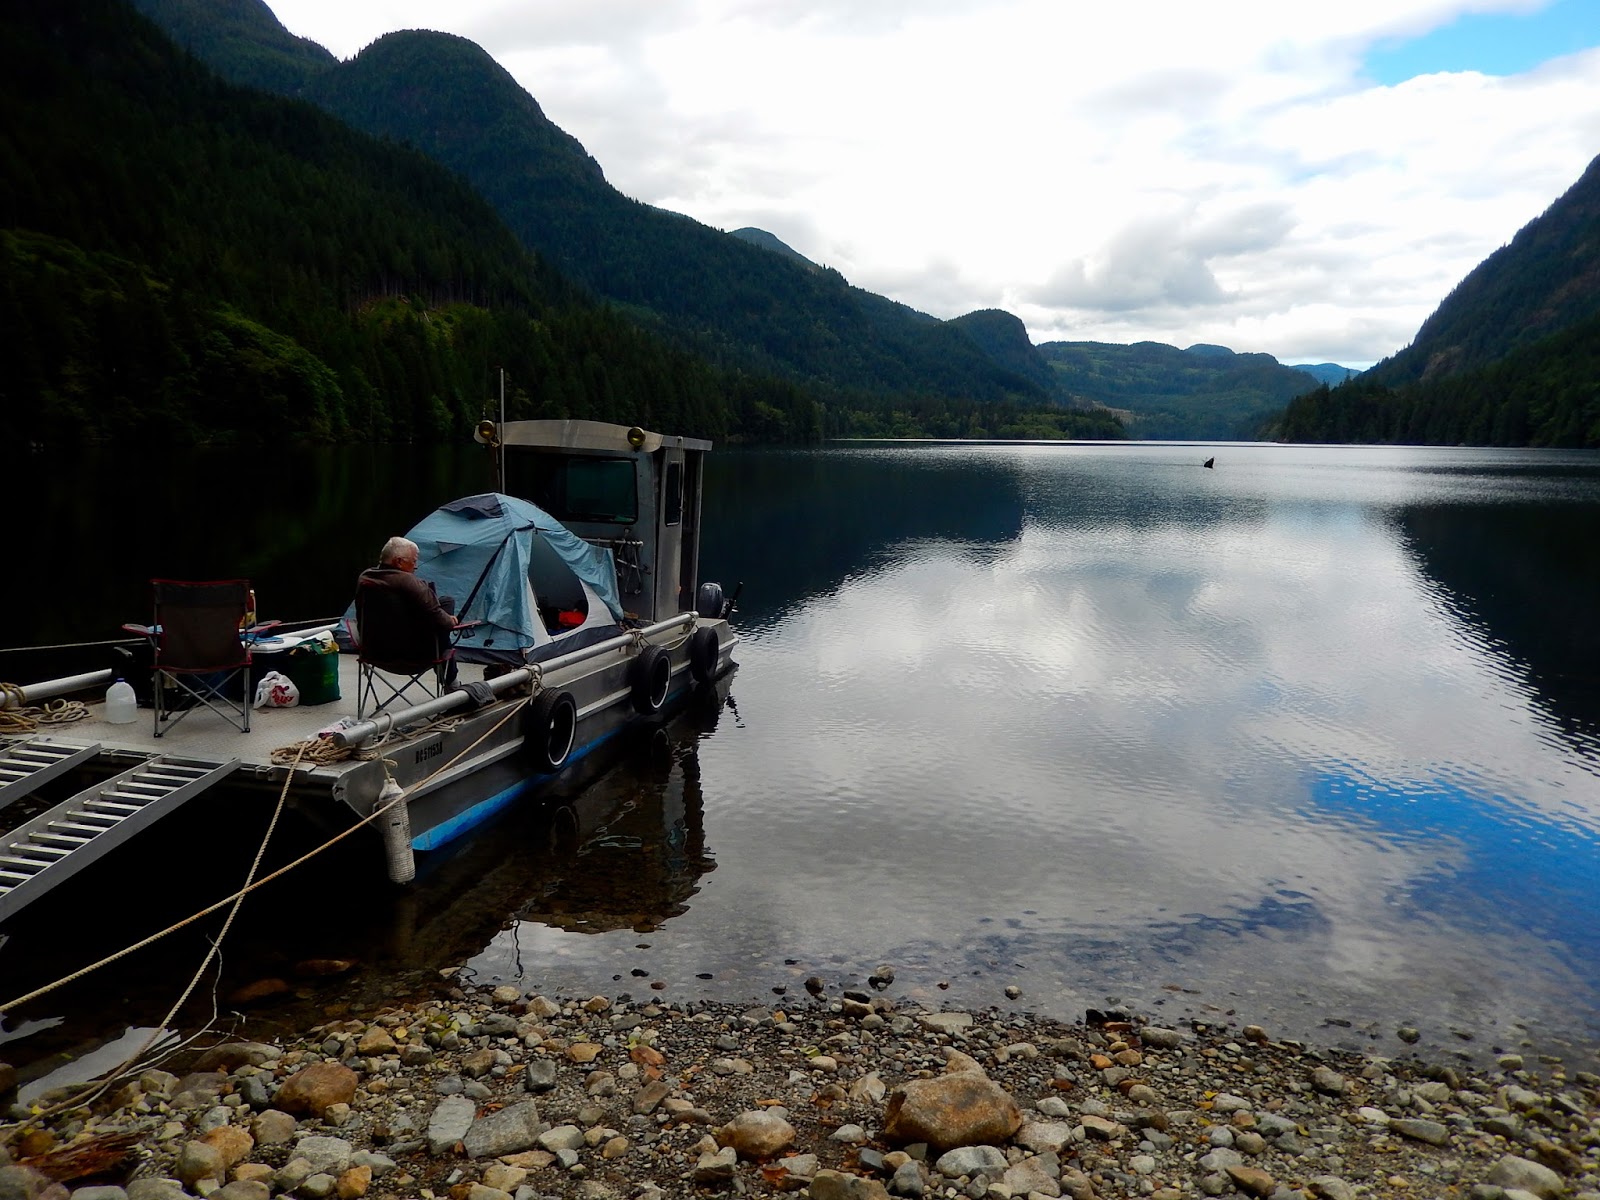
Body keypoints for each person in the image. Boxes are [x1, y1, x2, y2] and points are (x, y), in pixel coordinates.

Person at [356, 536, 460, 686]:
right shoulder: (409, 582)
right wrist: (450, 620)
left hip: (374, 652)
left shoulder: (365, 578)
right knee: (442, 621)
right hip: (414, 655)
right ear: (398, 561)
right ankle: (451, 683)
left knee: (445, 601)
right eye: (413, 561)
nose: (415, 566)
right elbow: (444, 623)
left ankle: (449, 679)